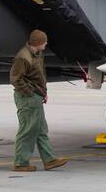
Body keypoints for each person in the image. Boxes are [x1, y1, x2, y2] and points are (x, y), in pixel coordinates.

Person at [9, 29, 68, 172]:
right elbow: (15, 79)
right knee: (27, 130)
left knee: (41, 129)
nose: (46, 43)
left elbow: (40, 74)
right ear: (38, 43)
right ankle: (21, 163)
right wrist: (30, 93)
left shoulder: (38, 54)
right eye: (44, 41)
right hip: (27, 98)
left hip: (36, 95)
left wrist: (43, 92)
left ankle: (49, 160)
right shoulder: (23, 57)